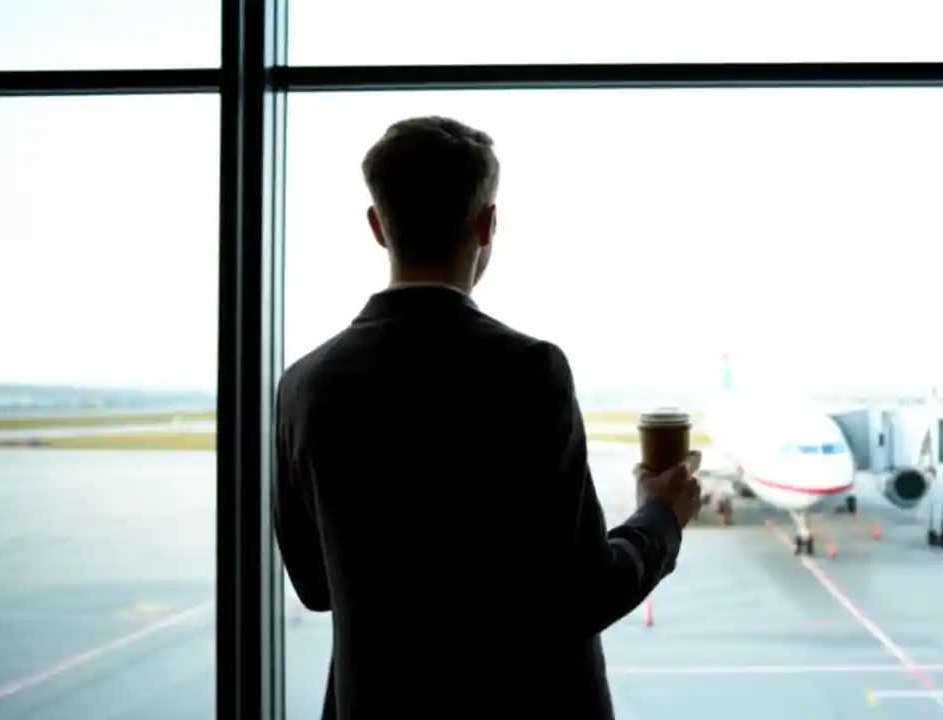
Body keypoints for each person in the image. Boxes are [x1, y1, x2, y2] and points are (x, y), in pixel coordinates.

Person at [273, 115, 704, 720]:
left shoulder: (303, 384)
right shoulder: (530, 370)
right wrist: (662, 517)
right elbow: (582, 595)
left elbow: (316, 588)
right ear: (487, 224)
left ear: (377, 226)